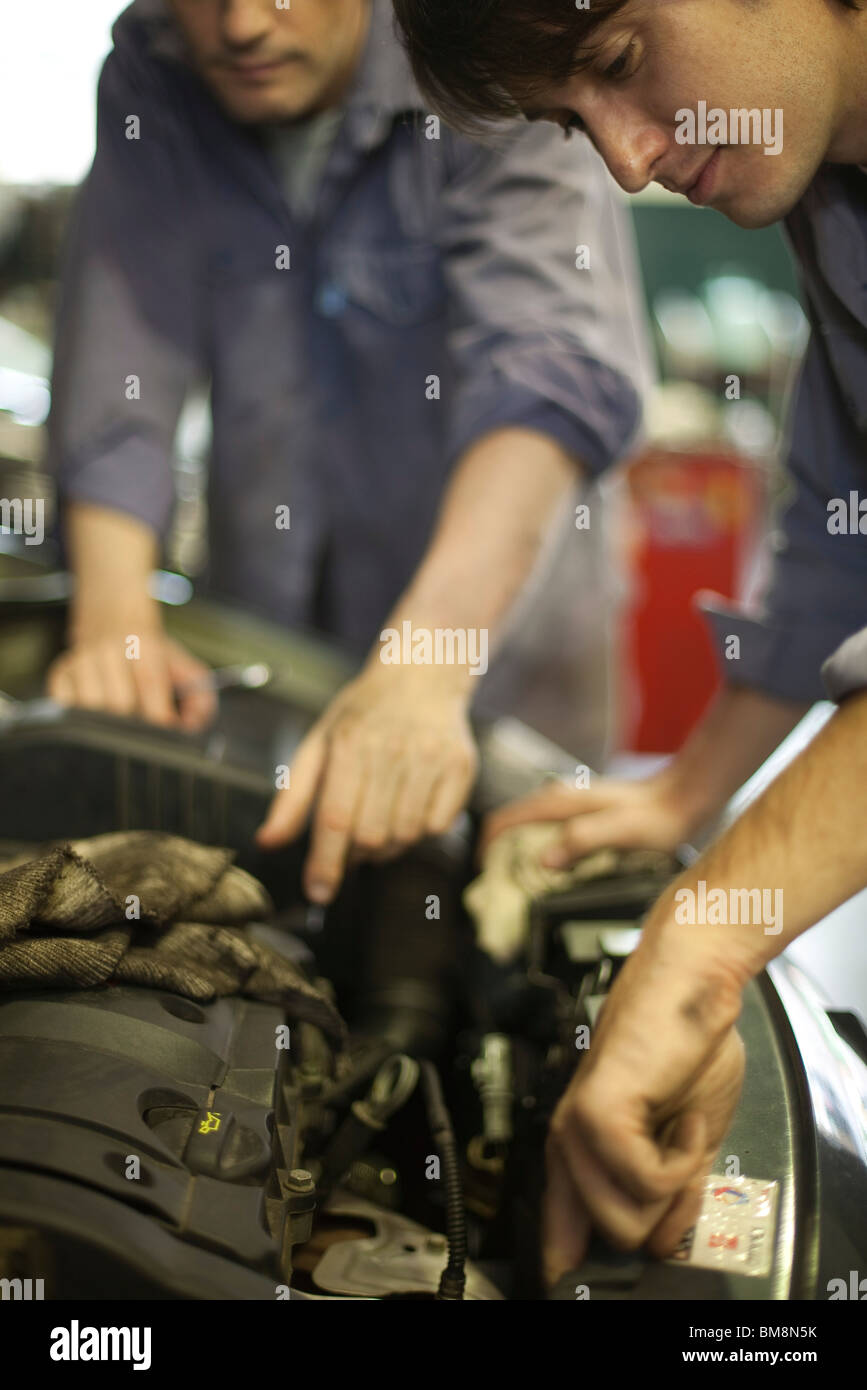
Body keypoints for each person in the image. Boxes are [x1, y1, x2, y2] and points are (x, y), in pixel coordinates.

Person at [393, 0, 867, 1280]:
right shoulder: (837, 198)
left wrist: (709, 938)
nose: (624, 160)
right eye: (569, 116)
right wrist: (688, 796)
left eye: (617, 63)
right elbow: (840, 522)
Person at [45, 0, 650, 908]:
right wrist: (113, 610)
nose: (242, 26)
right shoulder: (155, 70)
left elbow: (545, 377)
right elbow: (120, 355)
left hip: (495, 663)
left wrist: (424, 665)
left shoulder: (488, 47)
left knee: (503, 936)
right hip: (268, 641)